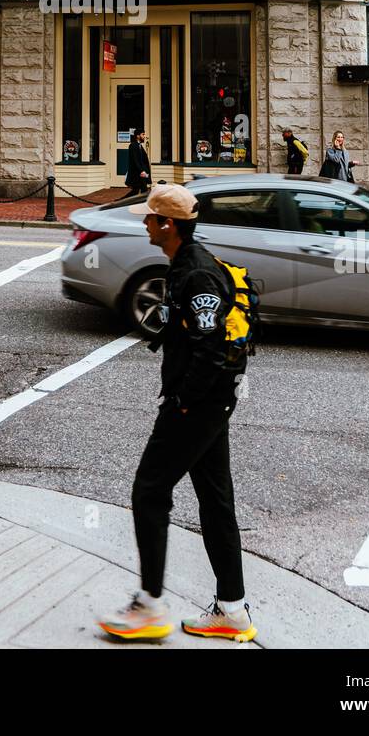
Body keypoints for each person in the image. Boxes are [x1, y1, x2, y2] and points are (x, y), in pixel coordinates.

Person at [98, 183, 256, 644]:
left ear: (168, 225)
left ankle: (149, 606)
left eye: (150, 218)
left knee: (149, 491)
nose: (145, 224)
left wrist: (184, 402)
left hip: (199, 404)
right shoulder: (185, 265)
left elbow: (209, 350)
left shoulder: (198, 275)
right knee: (215, 501)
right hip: (210, 402)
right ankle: (233, 611)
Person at [125, 129, 151, 197]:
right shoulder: (133, 145)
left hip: (142, 173)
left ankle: (119, 202)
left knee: (137, 191)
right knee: (142, 191)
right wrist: (142, 171)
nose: (144, 136)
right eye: (143, 134)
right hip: (138, 173)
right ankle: (119, 202)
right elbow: (135, 160)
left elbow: (142, 160)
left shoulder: (140, 146)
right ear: (137, 136)